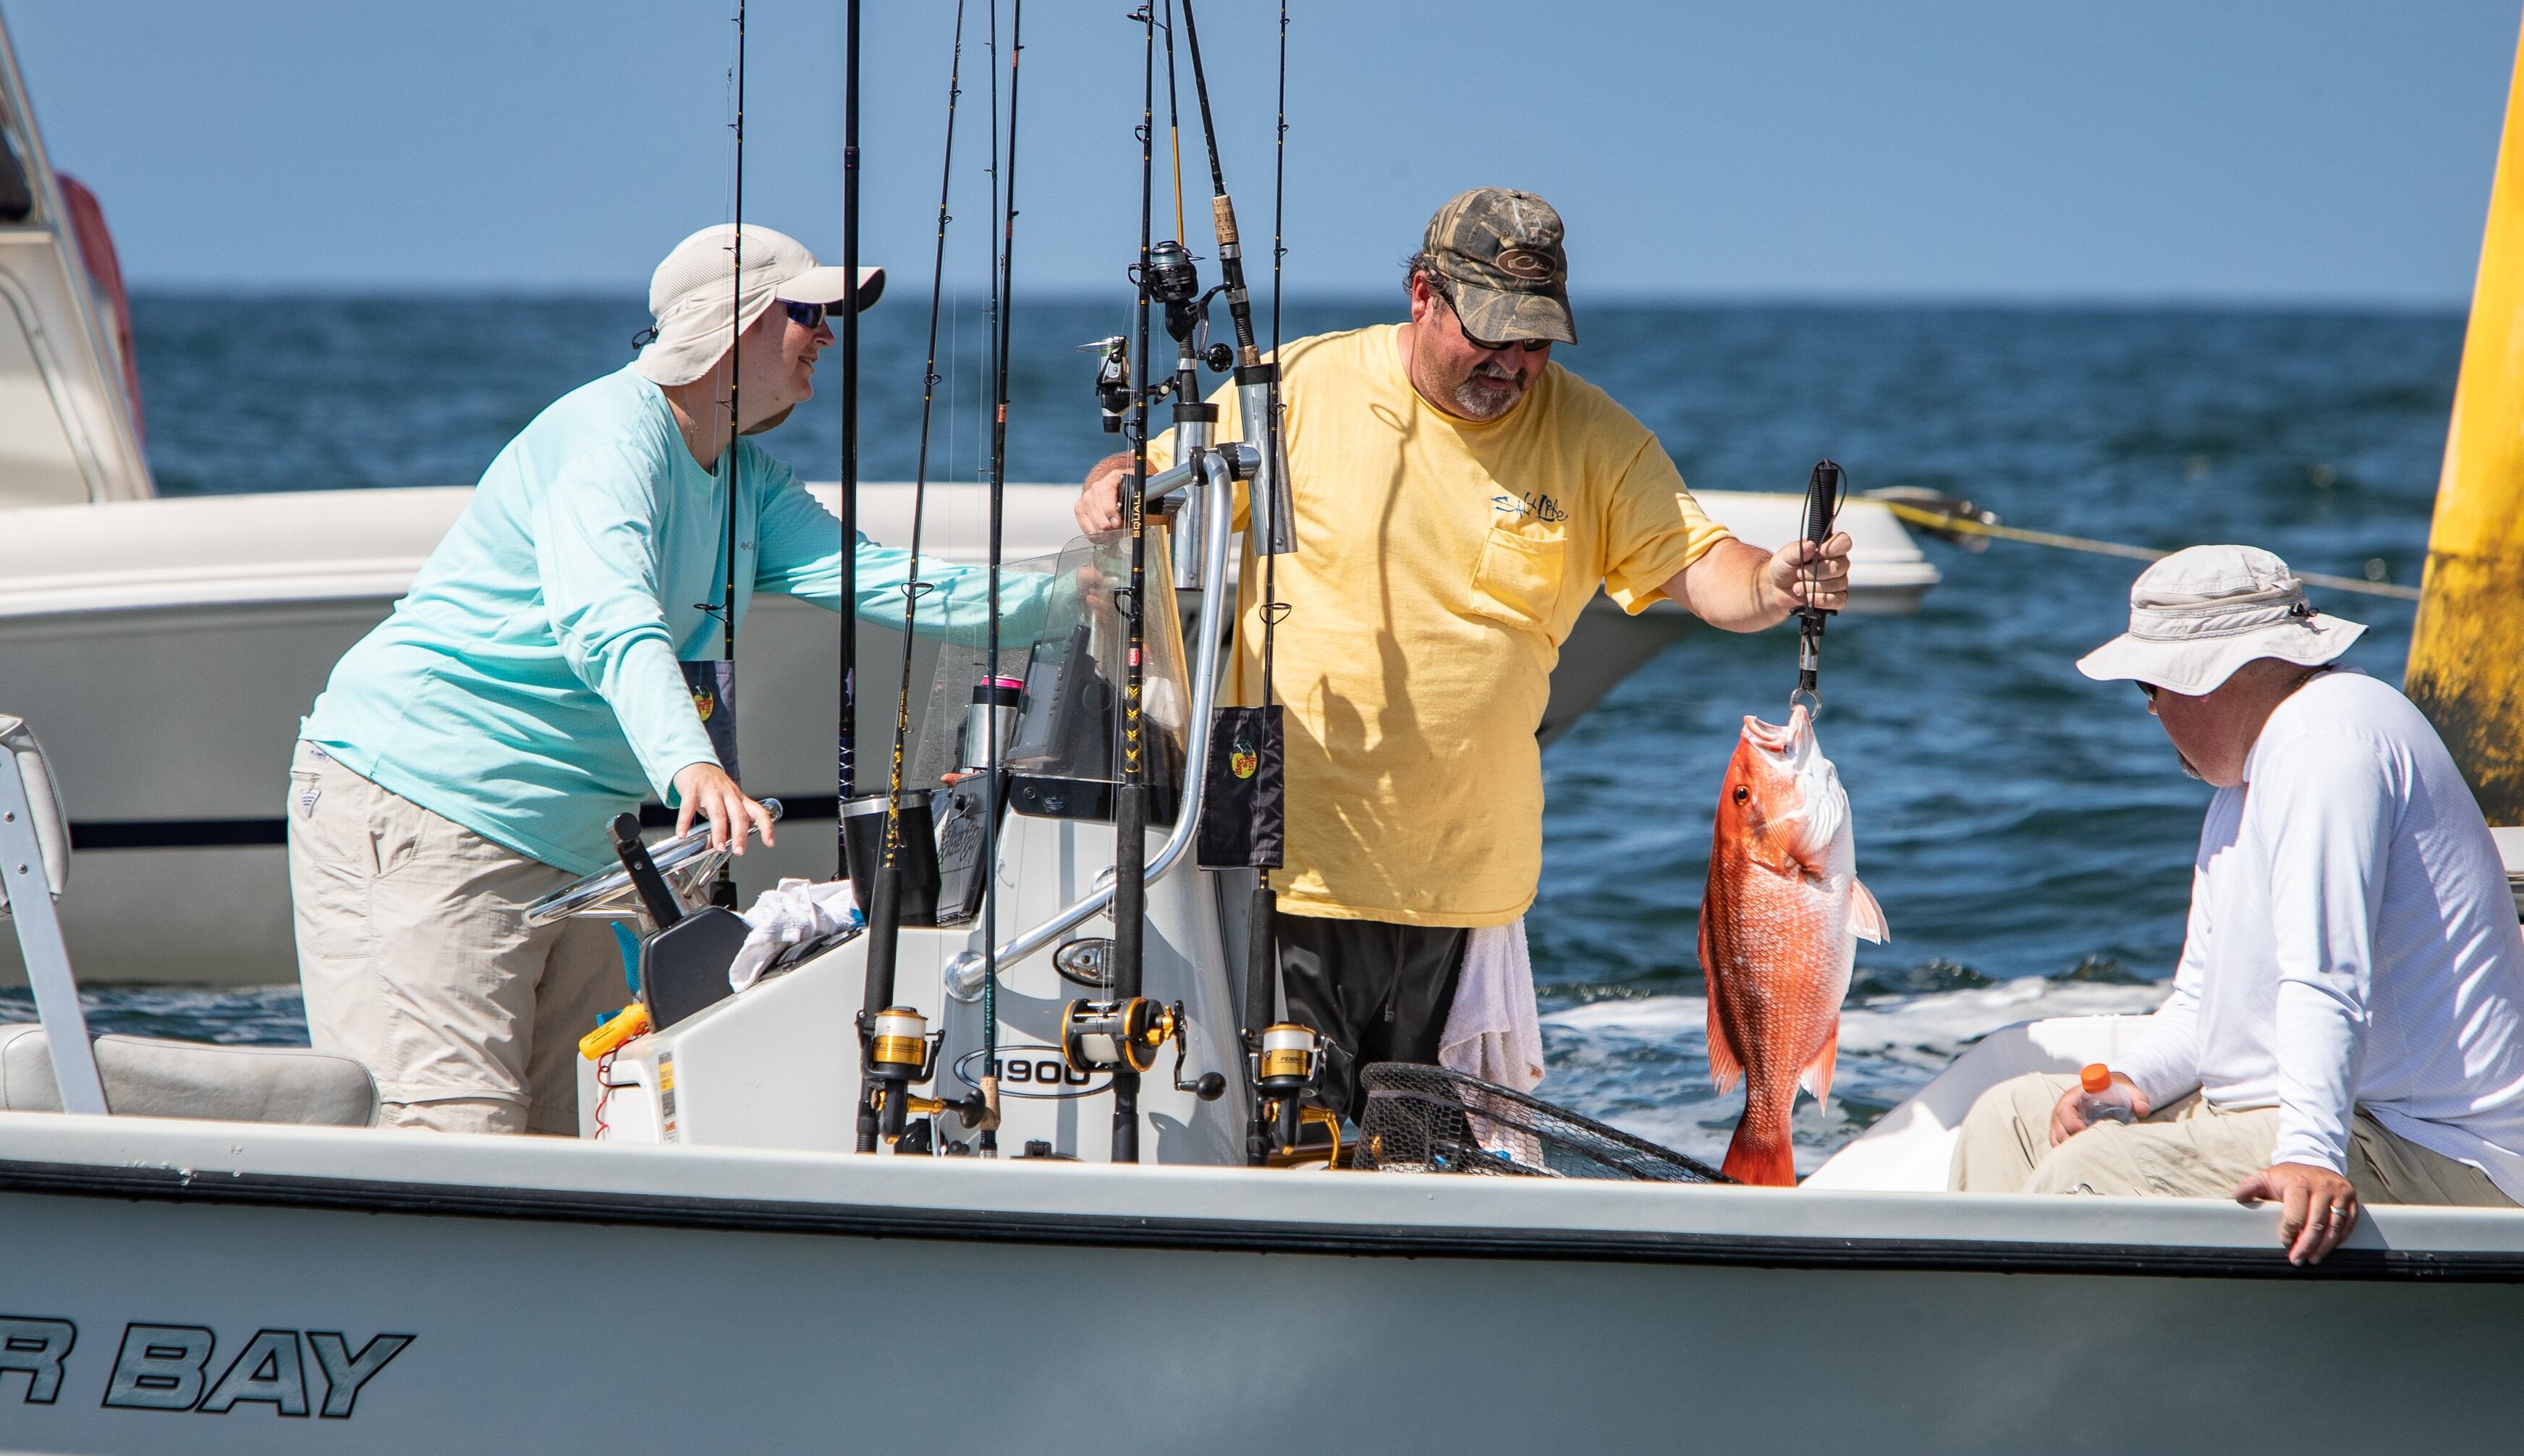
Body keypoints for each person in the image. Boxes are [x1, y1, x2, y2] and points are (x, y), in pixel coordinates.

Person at [1074, 188, 1852, 1122]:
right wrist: (1113, 484)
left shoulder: (1593, 436)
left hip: (1466, 883)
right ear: (1421, 295)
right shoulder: (1297, 388)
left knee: (1423, 1161)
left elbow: (1701, 566)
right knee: (1280, 1138)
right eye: (1490, 333)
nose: (1513, 363)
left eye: (1534, 341)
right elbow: (1146, 476)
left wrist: (1774, 583)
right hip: (1282, 856)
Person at [291, 224, 990, 1135]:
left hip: (580, 848)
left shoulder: (747, 481)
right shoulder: (607, 442)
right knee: (453, 1139)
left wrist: (1090, 575)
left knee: (581, 1142)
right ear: (729, 325)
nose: (827, 334)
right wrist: (689, 767)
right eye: (808, 312)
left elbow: (905, 583)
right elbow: (608, 618)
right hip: (425, 808)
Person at [1951, 545, 2524, 1263]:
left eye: (2149, 685)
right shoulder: (2250, 777)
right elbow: (2204, 992)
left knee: (2090, 1175)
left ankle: (2042, 1367)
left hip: (2422, 1151)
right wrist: (2136, 1083)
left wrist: (2308, 1153)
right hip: (2312, 1117)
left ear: (2204, 678)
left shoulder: (2325, 743)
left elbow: (2328, 976)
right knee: (2003, 1119)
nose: (2149, 709)